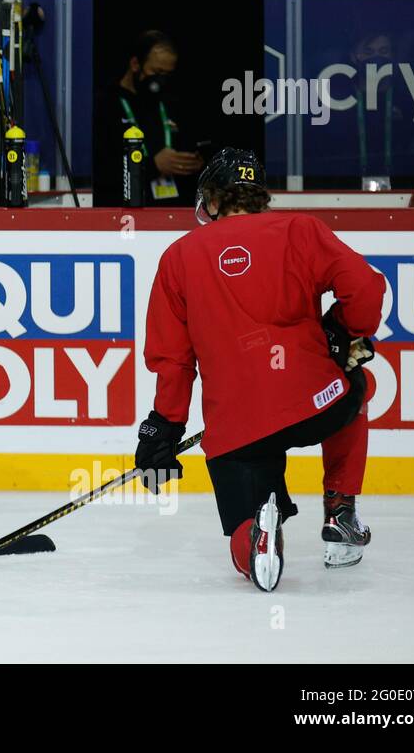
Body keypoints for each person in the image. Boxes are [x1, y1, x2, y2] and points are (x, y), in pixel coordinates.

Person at [135, 148, 384, 591]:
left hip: (236, 428)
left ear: (212, 199)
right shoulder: (300, 230)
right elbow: (365, 286)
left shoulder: (178, 257)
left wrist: (164, 430)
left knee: (241, 526)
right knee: (356, 383)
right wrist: (345, 332)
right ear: (258, 195)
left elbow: (173, 360)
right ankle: (340, 511)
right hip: (313, 400)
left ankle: (257, 535)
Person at [101, 30, 203, 205]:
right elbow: (103, 169)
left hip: (174, 208)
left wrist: (193, 163)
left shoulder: (169, 102)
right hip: (127, 209)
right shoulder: (107, 104)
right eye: (156, 72)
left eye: (167, 75)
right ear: (135, 64)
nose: (160, 81)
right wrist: (153, 165)